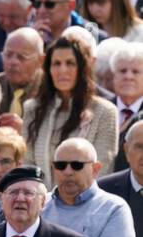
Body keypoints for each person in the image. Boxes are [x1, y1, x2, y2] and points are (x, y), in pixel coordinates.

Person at [23, 35, 118, 177]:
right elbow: (28, 164)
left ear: (83, 68)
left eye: (70, 63)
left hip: (87, 197)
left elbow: (102, 169)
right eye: (56, 63)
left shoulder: (105, 112)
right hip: (42, 197)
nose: (62, 70)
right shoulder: (33, 109)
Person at [0, 27, 45, 117]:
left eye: (22, 57)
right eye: (8, 55)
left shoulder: (50, 91)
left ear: (40, 60)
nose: (13, 62)